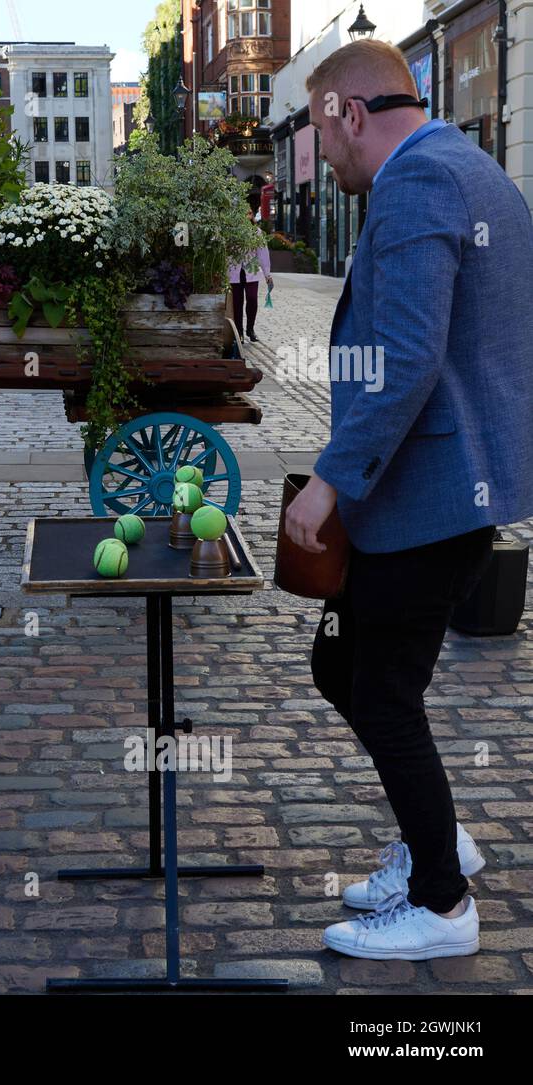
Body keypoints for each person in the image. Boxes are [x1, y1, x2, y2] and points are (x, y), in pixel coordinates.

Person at [285, 39, 533, 961]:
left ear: (350, 112)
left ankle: (441, 902)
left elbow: (405, 361)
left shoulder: (417, 184)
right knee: (348, 671)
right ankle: (440, 840)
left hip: (428, 494)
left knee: (380, 690)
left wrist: (332, 478)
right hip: (452, 488)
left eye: (322, 129)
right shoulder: (470, 167)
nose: (327, 156)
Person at [226, 190, 273, 344]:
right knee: (237, 303)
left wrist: (267, 274)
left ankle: (250, 328)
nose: (247, 216)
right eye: (244, 214)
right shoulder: (231, 233)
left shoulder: (257, 232)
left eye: (249, 213)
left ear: (252, 216)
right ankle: (238, 331)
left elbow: (263, 253)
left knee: (252, 299)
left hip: (251, 271)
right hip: (234, 272)